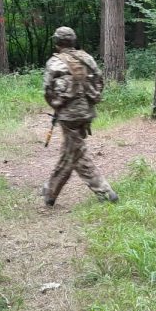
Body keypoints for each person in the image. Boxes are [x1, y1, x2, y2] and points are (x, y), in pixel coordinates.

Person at [41, 26, 118, 207]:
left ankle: (106, 192)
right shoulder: (87, 58)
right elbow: (99, 80)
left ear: (57, 42)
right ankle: (50, 192)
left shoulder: (54, 62)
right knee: (74, 151)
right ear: (73, 41)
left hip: (69, 115)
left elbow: (47, 90)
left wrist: (56, 105)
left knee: (75, 154)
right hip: (87, 113)